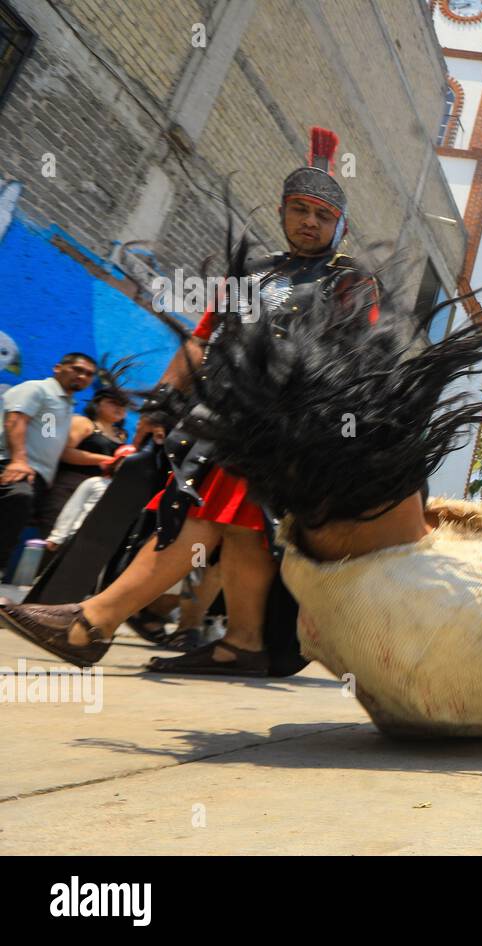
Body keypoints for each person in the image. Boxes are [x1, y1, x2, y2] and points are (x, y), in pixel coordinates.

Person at [6, 274, 482, 736]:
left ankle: (101, 619)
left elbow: (416, 538)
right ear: (394, 466)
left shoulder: (316, 542)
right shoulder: (453, 620)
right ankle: (102, 619)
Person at [0, 126, 378, 677]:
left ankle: (92, 622)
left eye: (322, 215)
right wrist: (159, 403)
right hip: (219, 419)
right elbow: (204, 338)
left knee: (200, 512)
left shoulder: (349, 282)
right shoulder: (253, 272)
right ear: (283, 211)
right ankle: (243, 643)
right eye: (300, 209)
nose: (310, 222)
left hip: (282, 430)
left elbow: (358, 360)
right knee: (238, 525)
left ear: (338, 224)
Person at [0, 352, 98, 568]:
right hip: (11, 465)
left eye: (89, 374)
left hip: (35, 477)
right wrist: (18, 460)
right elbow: (15, 419)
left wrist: (47, 475)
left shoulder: (61, 403)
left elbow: (46, 436)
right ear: (57, 368)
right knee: (17, 501)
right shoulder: (38, 389)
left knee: (12, 524)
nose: (82, 376)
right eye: (77, 369)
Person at [35, 385, 131, 537]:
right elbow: (64, 452)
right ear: (98, 403)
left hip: (99, 492)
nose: (119, 408)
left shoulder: (121, 435)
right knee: (54, 537)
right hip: (70, 486)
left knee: (81, 542)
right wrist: (108, 460)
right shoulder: (83, 422)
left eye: (123, 405)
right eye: (113, 402)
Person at [43, 446, 138, 553]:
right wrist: (57, 536)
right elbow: (73, 508)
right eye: (123, 461)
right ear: (115, 463)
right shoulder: (95, 482)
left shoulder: (134, 494)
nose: (127, 466)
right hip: (77, 537)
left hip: (105, 545)